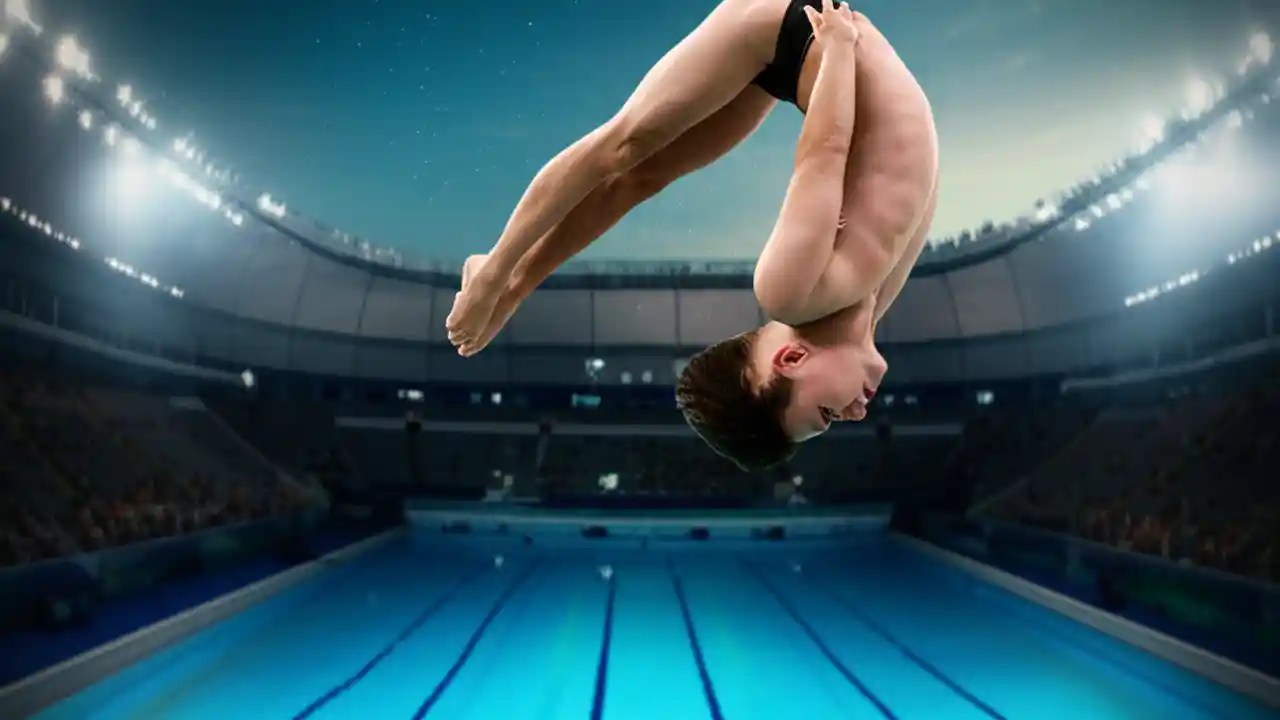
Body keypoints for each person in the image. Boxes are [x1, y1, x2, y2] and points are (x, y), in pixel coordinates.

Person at [446, 0, 938, 470]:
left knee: (628, 149)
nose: (855, 414)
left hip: (795, 26)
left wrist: (834, 47)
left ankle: (498, 273)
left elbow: (825, 153)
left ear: (789, 358)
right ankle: (509, 281)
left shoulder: (789, 292)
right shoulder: (865, 308)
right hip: (806, 55)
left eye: (828, 414)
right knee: (637, 171)